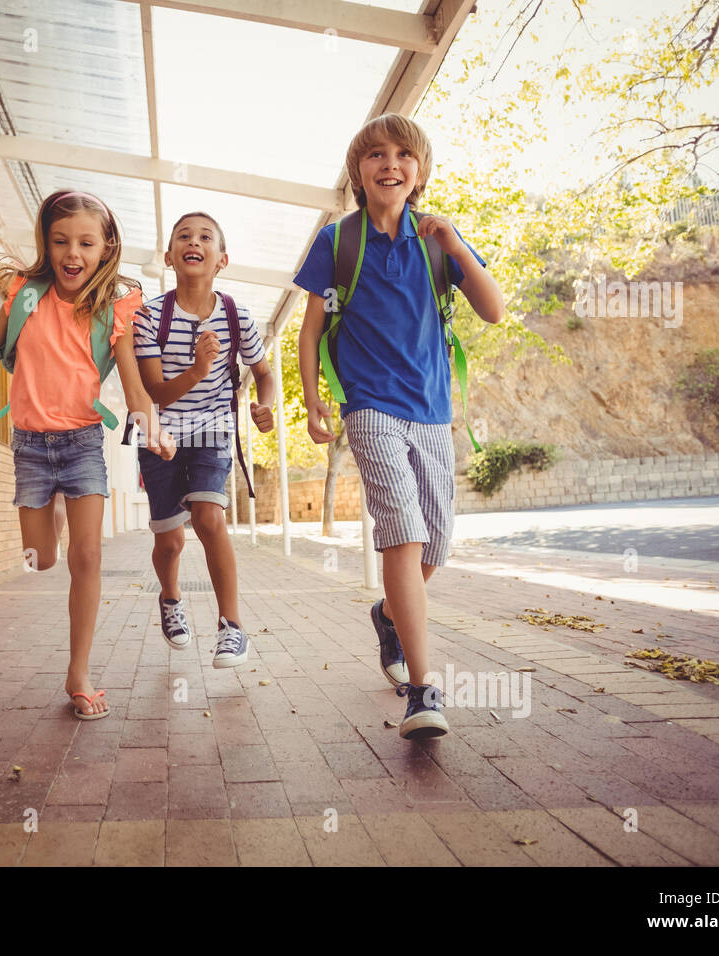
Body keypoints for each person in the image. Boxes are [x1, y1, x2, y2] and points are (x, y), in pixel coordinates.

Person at [0, 190, 174, 720]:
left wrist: (151, 427)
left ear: (106, 248)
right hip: (32, 447)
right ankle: (54, 509)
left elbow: (133, 388)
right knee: (41, 559)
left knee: (87, 557)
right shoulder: (25, 294)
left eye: (85, 242)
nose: (72, 253)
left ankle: (78, 673)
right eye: (60, 241)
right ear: (46, 244)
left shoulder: (114, 308)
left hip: (82, 443)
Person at [294, 115, 505, 739]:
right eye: (376, 155)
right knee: (404, 534)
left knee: (436, 542)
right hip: (369, 406)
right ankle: (422, 688)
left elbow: (493, 311)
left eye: (403, 154)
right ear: (358, 173)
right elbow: (311, 328)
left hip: (432, 411)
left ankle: (388, 614)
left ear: (420, 171)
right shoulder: (337, 240)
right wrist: (314, 399)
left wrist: (457, 248)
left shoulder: (439, 238)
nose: (390, 163)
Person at [133, 212, 275, 668]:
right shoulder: (149, 316)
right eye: (184, 237)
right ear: (169, 257)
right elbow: (155, 392)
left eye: (205, 237)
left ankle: (231, 626)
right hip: (160, 433)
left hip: (213, 428)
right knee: (170, 541)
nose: (193, 242)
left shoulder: (237, 316)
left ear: (222, 259)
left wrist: (264, 406)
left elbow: (263, 373)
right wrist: (197, 369)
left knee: (209, 518)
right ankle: (170, 597)